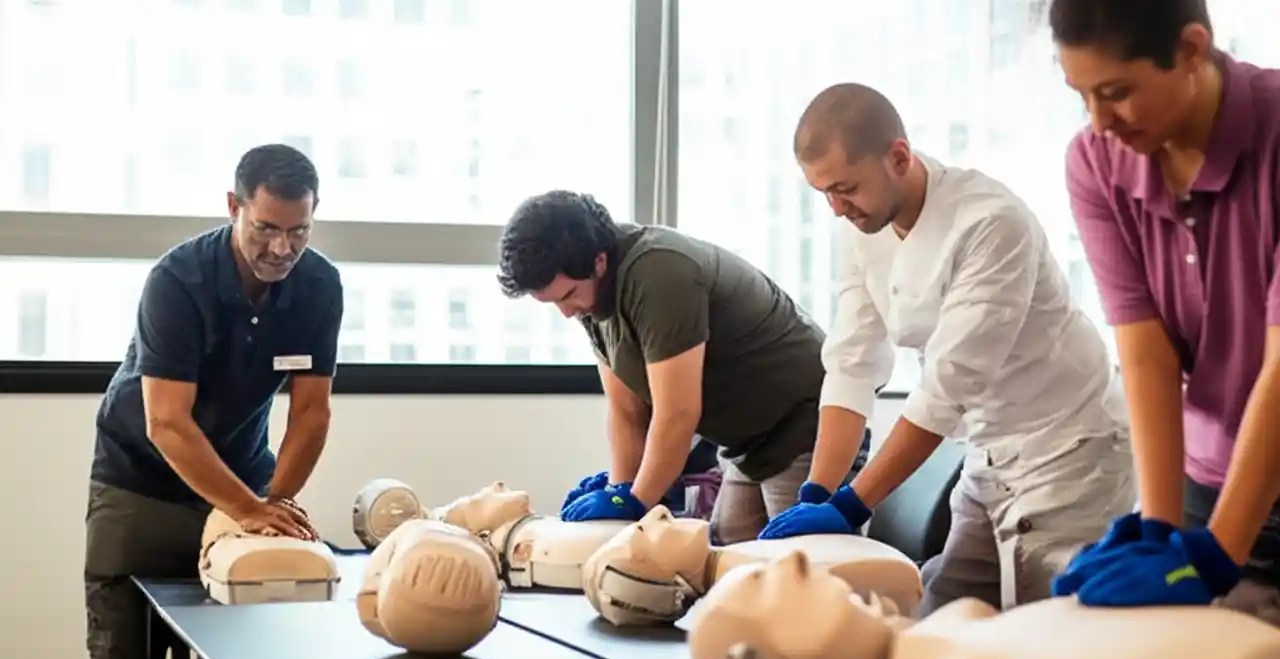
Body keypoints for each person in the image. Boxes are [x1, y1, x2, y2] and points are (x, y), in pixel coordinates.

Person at [757, 83, 1136, 617]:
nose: (837, 209)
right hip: (987, 451)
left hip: (1067, 450)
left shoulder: (990, 223)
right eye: (824, 193)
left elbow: (947, 387)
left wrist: (853, 503)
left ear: (898, 157)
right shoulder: (865, 225)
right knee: (941, 616)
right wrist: (818, 491)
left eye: (845, 188)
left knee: (1042, 634)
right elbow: (851, 364)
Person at [83, 143, 344, 659]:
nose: (282, 248)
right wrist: (247, 509)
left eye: (298, 231)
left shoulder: (320, 285)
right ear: (234, 206)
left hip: (243, 480)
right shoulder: (178, 280)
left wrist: (273, 504)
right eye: (266, 228)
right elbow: (166, 422)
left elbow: (311, 413)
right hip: (141, 484)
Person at [1047, 0, 1280, 624]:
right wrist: (1160, 530)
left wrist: (1218, 557)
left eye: (1116, 93)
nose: (1099, 122)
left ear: (1191, 50)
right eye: (1082, 96)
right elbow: (1146, 353)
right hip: (1209, 474)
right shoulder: (1095, 163)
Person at [495, 190, 870, 544]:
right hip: (746, 444)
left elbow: (677, 413)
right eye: (554, 303)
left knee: (795, 565)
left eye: (568, 296)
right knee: (729, 552)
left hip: (804, 422)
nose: (566, 312)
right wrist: (619, 491)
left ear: (599, 261)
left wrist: (637, 500)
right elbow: (626, 409)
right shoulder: (592, 299)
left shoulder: (658, 272)